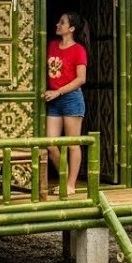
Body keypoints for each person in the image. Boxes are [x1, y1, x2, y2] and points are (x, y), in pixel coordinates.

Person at [45, 11, 88, 197]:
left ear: (71, 28)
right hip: (54, 99)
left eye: (61, 22)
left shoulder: (78, 50)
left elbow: (81, 79)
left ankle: (71, 185)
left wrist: (58, 91)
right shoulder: (52, 46)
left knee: (72, 143)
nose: (57, 24)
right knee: (51, 143)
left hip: (71, 98)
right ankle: (64, 178)